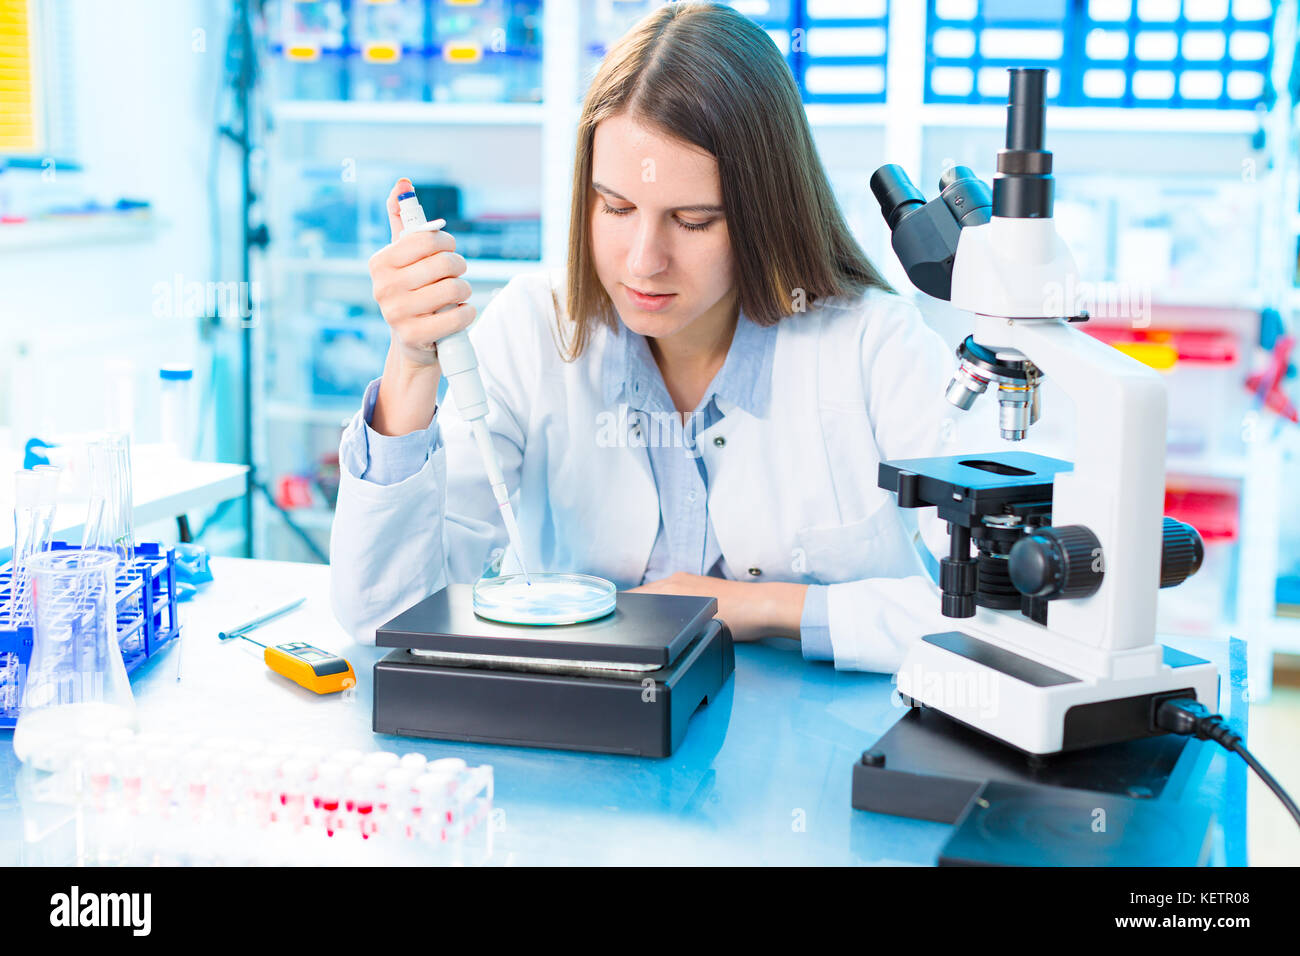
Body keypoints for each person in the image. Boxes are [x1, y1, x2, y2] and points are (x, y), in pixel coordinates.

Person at [330, 2, 960, 670]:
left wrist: (763, 605)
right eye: (617, 208)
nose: (642, 261)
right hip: (582, 752)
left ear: (766, 213)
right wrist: (410, 365)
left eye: (691, 220)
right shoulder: (534, 329)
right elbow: (384, 616)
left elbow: (1016, 625)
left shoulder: (871, 346)